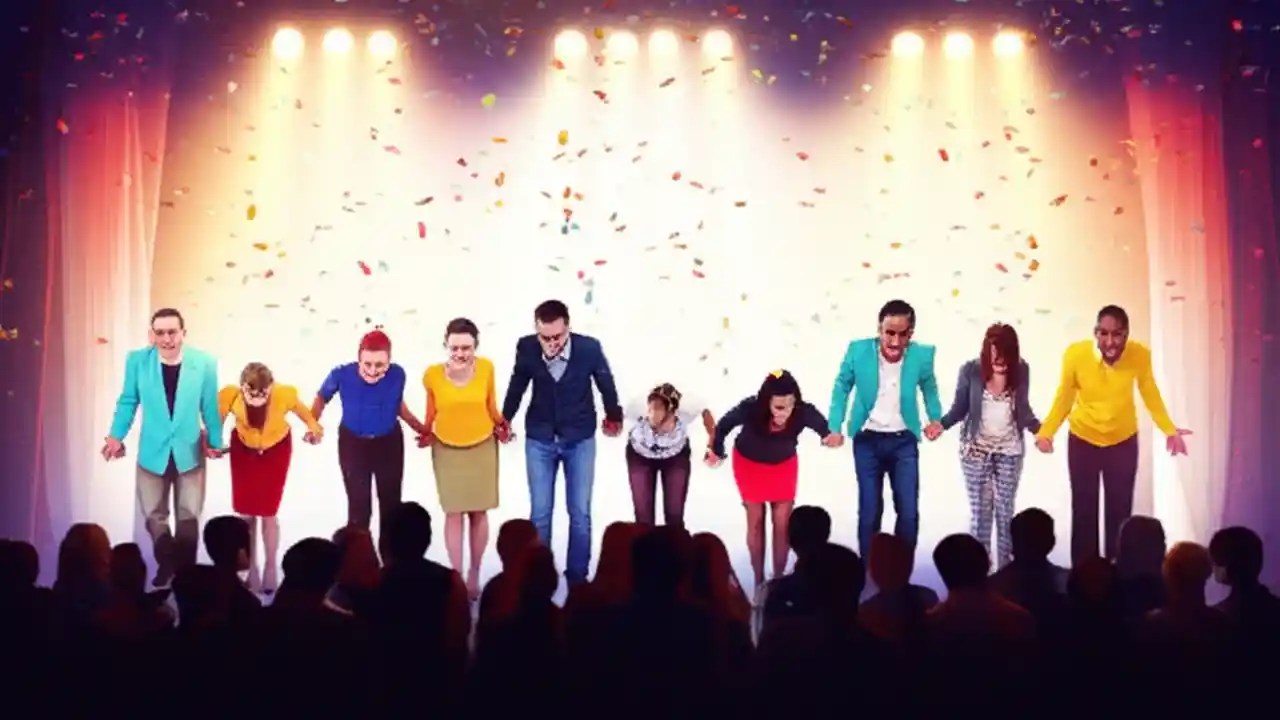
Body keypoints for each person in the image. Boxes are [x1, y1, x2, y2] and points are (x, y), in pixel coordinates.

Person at [1034, 305, 1189, 563]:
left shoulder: (1139, 354)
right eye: (1103, 334)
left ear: (1126, 334)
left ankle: (1118, 575)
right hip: (1083, 439)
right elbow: (1064, 396)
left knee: (1120, 513)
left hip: (1122, 441)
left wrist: (1169, 429)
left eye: (1117, 335)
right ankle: (1085, 575)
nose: (1110, 342)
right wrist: (1047, 432)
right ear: (1095, 333)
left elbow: (1149, 391)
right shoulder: (1075, 355)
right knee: (1084, 511)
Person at [502, 300, 624, 585]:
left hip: (579, 438)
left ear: (568, 327)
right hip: (540, 438)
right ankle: (538, 578)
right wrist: (504, 419)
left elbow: (606, 383)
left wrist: (614, 415)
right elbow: (517, 384)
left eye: (557, 337)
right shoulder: (527, 347)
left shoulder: (589, 348)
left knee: (580, 513)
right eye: (545, 337)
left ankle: (578, 579)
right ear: (536, 331)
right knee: (540, 514)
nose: (551, 343)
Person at [102, 308, 224, 588]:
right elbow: (128, 400)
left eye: (172, 332)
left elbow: (209, 406)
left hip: (189, 451)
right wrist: (115, 435)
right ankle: (168, 561)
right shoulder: (137, 361)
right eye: (160, 332)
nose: (166, 338)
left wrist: (216, 443)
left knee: (189, 517)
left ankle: (187, 577)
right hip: (152, 452)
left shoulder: (203, 363)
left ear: (183, 333)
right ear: (152, 334)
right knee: (154, 514)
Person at [826, 299, 943, 556]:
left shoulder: (922, 356)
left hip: (904, 442)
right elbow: (841, 386)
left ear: (911, 334)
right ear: (879, 330)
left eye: (903, 334)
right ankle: (870, 572)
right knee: (870, 510)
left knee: (909, 511)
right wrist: (834, 426)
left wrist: (936, 419)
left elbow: (929, 388)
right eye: (889, 333)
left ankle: (901, 573)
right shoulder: (858, 351)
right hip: (867, 440)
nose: (895, 341)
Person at [706, 370, 837, 596]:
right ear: (767, 402)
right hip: (749, 464)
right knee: (755, 520)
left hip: (783, 466)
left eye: (789, 406)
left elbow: (825, 429)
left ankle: (778, 580)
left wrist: (828, 436)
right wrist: (717, 450)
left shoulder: (803, 412)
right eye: (778, 407)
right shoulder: (750, 408)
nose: (784, 412)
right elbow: (724, 425)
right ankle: (758, 579)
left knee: (782, 523)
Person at [311, 330, 428, 555]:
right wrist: (312, 425)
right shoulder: (341, 374)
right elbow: (321, 397)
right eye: (368, 364)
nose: (373, 370)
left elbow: (397, 405)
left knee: (392, 505)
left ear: (389, 361)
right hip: (353, 443)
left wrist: (419, 427)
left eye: (380, 365)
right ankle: (358, 561)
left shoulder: (398, 375)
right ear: (359, 358)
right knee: (358, 507)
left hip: (389, 443)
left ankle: (391, 560)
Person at [938, 323, 1041, 568]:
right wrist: (940, 425)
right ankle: (978, 572)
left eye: (1005, 358)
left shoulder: (1022, 370)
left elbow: (1024, 411)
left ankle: (1006, 571)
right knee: (981, 515)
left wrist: (1042, 431)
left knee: (1006, 514)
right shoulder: (970, 370)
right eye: (995, 357)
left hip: (1010, 449)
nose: (1000, 363)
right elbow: (960, 408)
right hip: (976, 449)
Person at [217, 362, 323, 593]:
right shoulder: (230, 395)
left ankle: (271, 569)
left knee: (268, 511)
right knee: (246, 512)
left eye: (262, 392)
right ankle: (251, 570)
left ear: (271, 386)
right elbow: (216, 423)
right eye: (250, 392)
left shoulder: (284, 394)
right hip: (244, 451)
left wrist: (314, 432)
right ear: (242, 386)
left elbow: (309, 418)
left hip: (276, 450)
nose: (256, 397)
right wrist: (213, 444)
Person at [422, 318, 506, 601]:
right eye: (455, 347)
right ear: (446, 345)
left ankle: (474, 572)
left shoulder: (486, 368)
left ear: (476, 346)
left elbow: (491, 404)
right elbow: (431, 412)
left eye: (466, 347)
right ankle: (456, 576)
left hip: (482, 444)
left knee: (479, 511)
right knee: (453, 512)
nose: (460, 353)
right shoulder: (432, 374)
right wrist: (424, 432)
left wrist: (503, 425)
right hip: (446, 446)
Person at [624, 383, 716, 529]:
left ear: (674, 412)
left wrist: (712, 443)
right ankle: (645, 548)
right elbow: (615, 417)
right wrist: (610, 427)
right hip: (640, 454)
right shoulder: (635, 407)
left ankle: (675, 546)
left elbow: (706, 413)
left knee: (674, 515)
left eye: (663, 426)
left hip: (675, 455)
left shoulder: (688, 406)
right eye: (654, 426)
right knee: (643, 517)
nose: (659, 431)